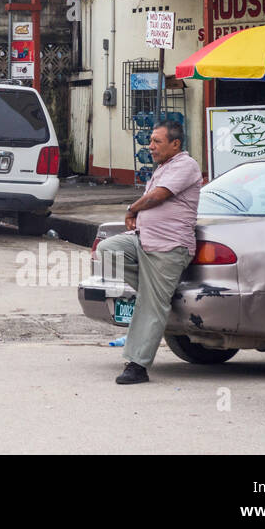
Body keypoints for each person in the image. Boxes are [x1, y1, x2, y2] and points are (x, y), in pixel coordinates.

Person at [96, 120, 202, 385]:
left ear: (175, 144)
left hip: (168, 247)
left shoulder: (186, 165)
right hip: (144, 241)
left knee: (150, 305)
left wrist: (132, 209)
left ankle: (137, 365)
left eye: (157, 141)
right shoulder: (163, 167)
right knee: (108, 249)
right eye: (151, 140)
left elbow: (158, 197)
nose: (150, 146)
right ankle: (154, 292)